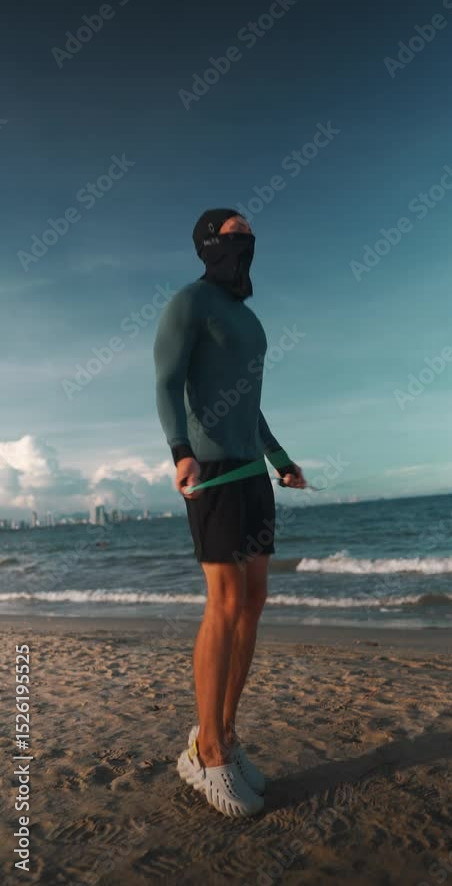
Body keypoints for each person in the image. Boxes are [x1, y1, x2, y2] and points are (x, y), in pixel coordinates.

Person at [153, 208, 306, 817]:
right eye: (232, 233)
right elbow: (166, 382)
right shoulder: (188, 303)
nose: (244, 241)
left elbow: (252, 406)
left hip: (252, 473)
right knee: (223, 600)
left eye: (249, 234)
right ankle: (206, 749)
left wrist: (280, 458)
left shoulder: (252, 321)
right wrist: (180, 453)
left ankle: (225, 733)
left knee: (255, 597)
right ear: (207, 244)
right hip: (211, 471)